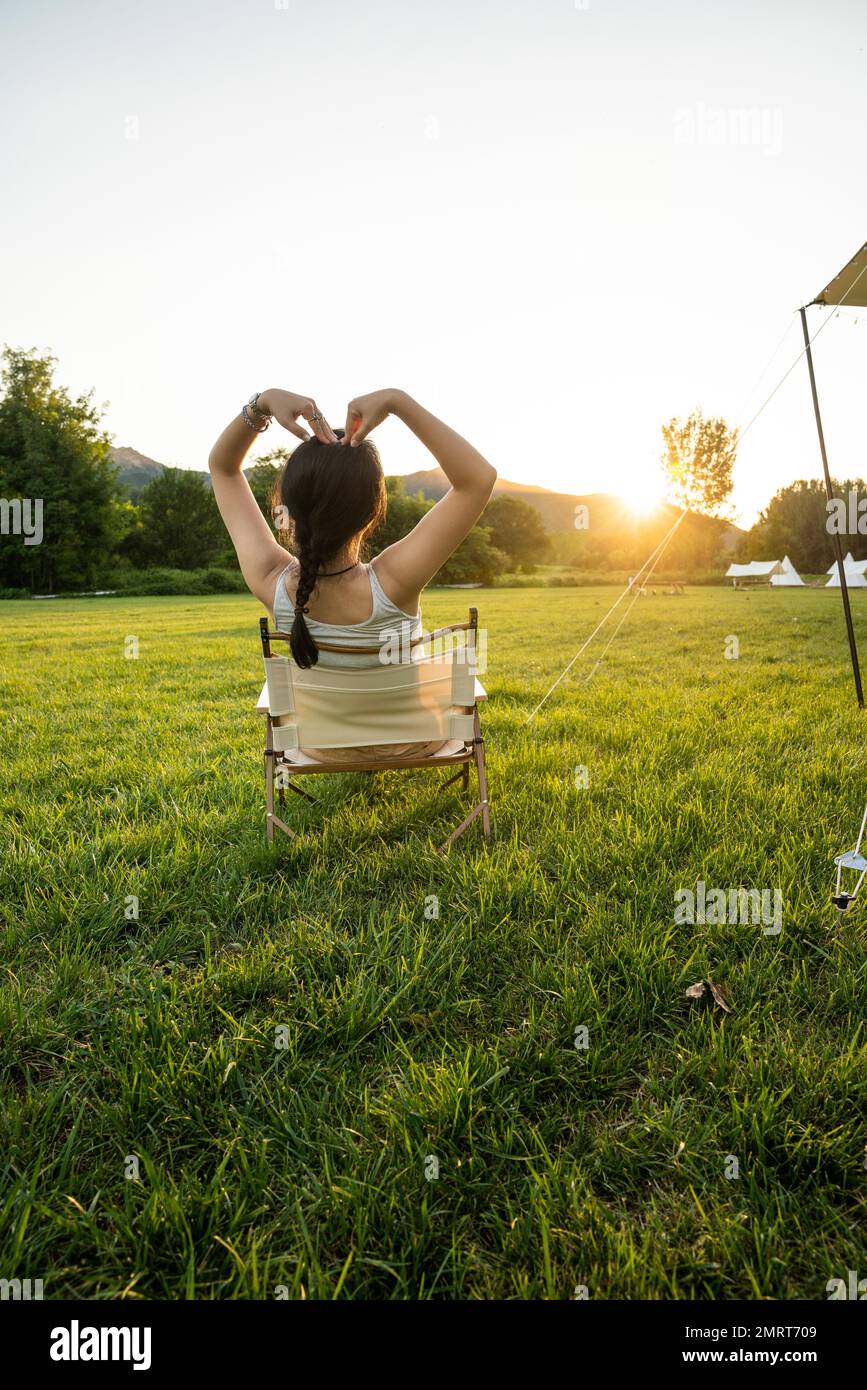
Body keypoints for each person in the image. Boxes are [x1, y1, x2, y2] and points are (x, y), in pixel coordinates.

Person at [208, 387, 496, 759]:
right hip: (413, 742)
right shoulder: (395, 580)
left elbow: (223, 467)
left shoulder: (271, 580)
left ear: (287, 508)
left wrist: (260, 405)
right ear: (373, 511)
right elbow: (477, 480)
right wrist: (397, 402)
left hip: (321, 748)